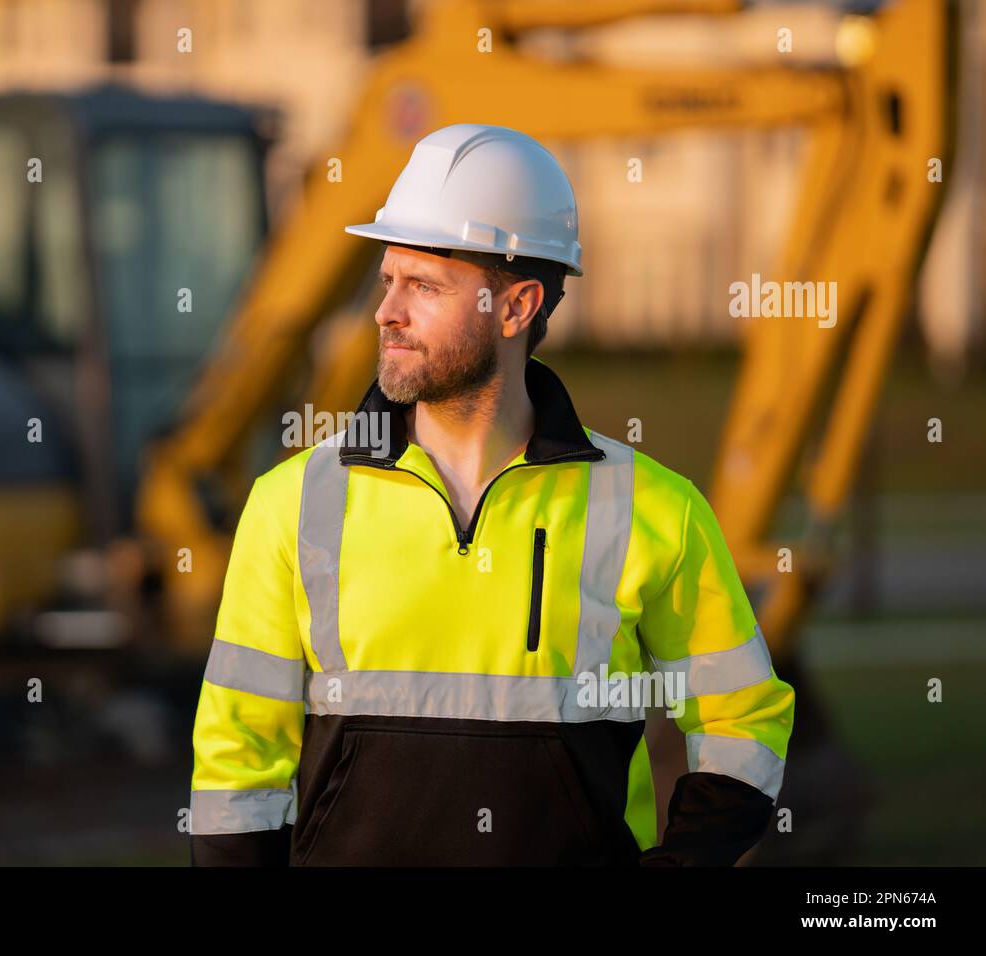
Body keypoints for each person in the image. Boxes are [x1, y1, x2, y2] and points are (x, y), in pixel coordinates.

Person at [188, 123, 794, 866]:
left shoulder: (655, 512)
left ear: (516, 308)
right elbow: (236, 763)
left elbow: (745, 721)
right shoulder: (292, 505)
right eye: (388, 281)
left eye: (424, 287)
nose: (387, 313)